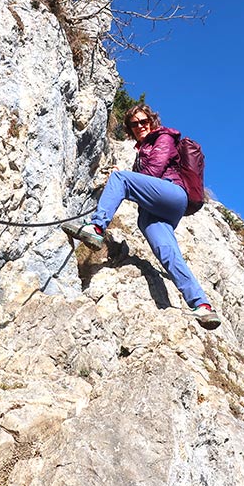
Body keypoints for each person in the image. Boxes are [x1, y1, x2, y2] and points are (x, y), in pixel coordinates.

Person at [63, 104, 222, 330]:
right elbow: (145, 178)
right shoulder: (142, 150)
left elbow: (155, 170)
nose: (140, 126)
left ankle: (96, 228)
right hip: (156, 210)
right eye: (134, 124)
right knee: (166, 251)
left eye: (143, 121)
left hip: (173, 194)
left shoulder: (163, 137)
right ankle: (202, 305)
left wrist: (124, 177)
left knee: (121, 180)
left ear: (152, 121)